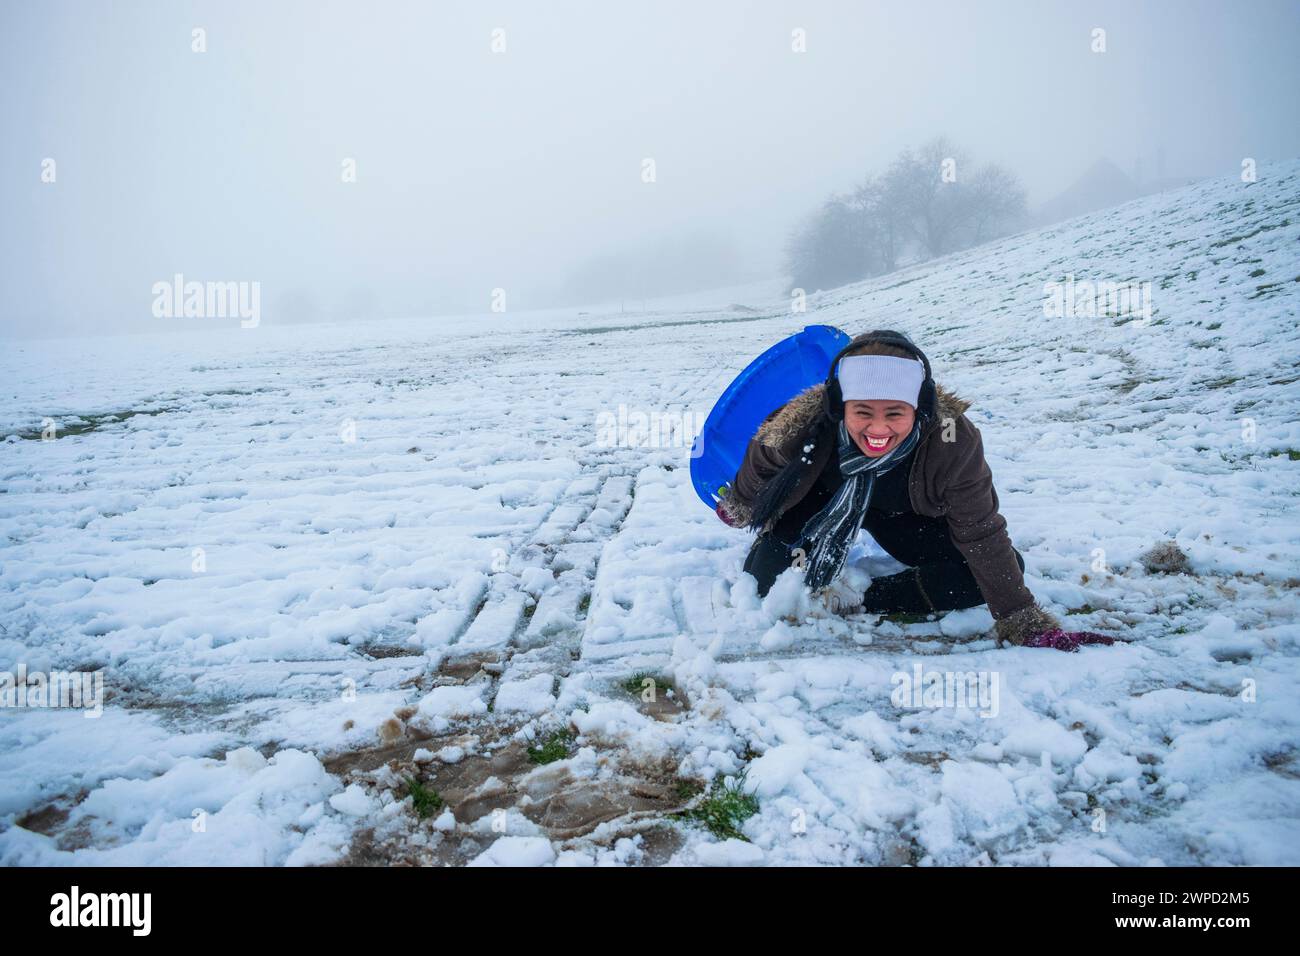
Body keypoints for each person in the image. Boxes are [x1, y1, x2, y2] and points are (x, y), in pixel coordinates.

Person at [715, 329, 1113, 651]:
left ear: (918, 407)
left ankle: (859, 599)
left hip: (902, 517)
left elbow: (980, 528)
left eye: (895, 413)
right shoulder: (796, 427)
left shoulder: (954, 440)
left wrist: (1020, 617)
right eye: (863, 413)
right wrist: (741, 504)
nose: (878, 429)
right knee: (764, 584)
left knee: (987, 573)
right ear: (841, 406)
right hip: (819, 506)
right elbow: (757, 470)